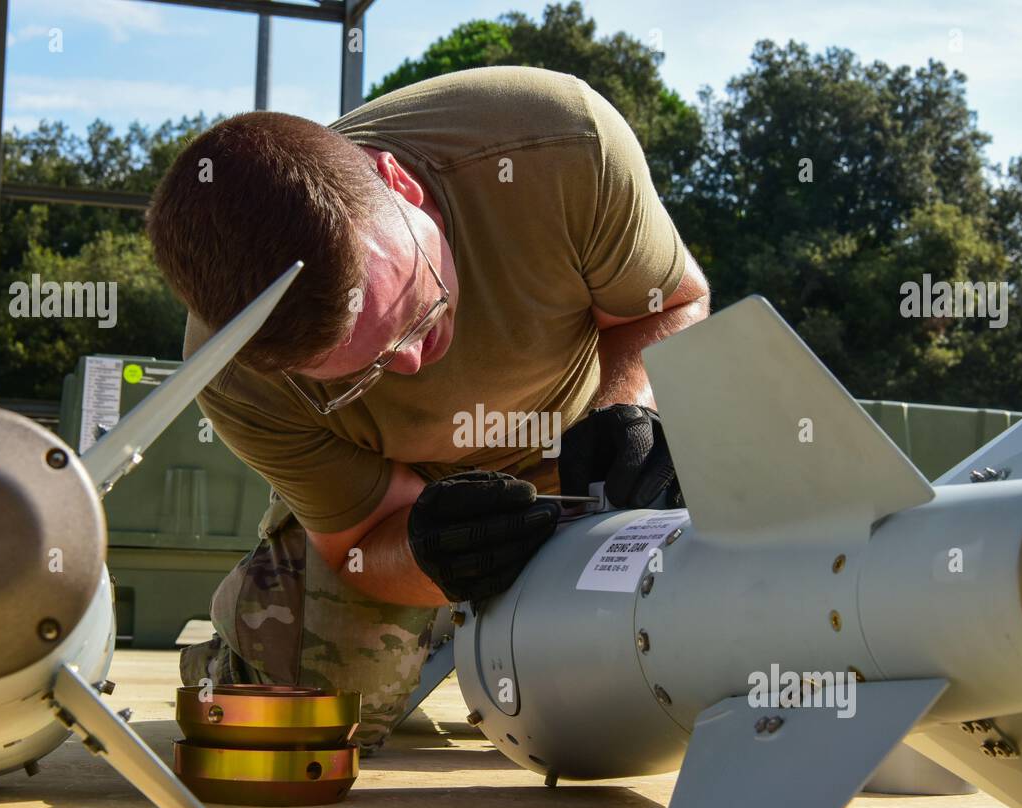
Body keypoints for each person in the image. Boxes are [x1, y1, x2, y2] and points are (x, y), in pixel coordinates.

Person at [145, 66, 710, 752]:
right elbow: (359, 543)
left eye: (421, 304)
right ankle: (241, 651)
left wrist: (628, 413)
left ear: (402, 185)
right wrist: (432, 556)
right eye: (367, 372)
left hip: (592, 444)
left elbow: (674, 303)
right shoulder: (239, 376)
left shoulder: (557, 146)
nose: (416, 360)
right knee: (310, 713)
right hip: (413, 505)